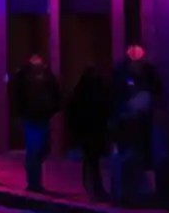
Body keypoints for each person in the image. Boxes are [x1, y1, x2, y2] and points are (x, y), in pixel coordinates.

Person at [112, 43, 164, 205]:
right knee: (130, 159)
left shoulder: (146, 72)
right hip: (130, 123)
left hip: (139, 123)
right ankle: (129, 194)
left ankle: (137, 193)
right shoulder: (123, 73)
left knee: (139, 159)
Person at [13, 53, 61, 193]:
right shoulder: (24, 76)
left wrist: (54, 108)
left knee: (42, 148)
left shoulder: (47, 76)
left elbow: (55, 92)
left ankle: (34, 180)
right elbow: (18, 96)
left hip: (43, 116)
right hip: (31, 117)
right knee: (34, 149)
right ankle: (34, 183)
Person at [66, 66, 110, 200]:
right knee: (92, 161)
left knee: (91, 161)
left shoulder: (83, 91)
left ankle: (93, 187)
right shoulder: (92, 91)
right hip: (91, 131)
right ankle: (94, 188)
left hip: (91, 131)